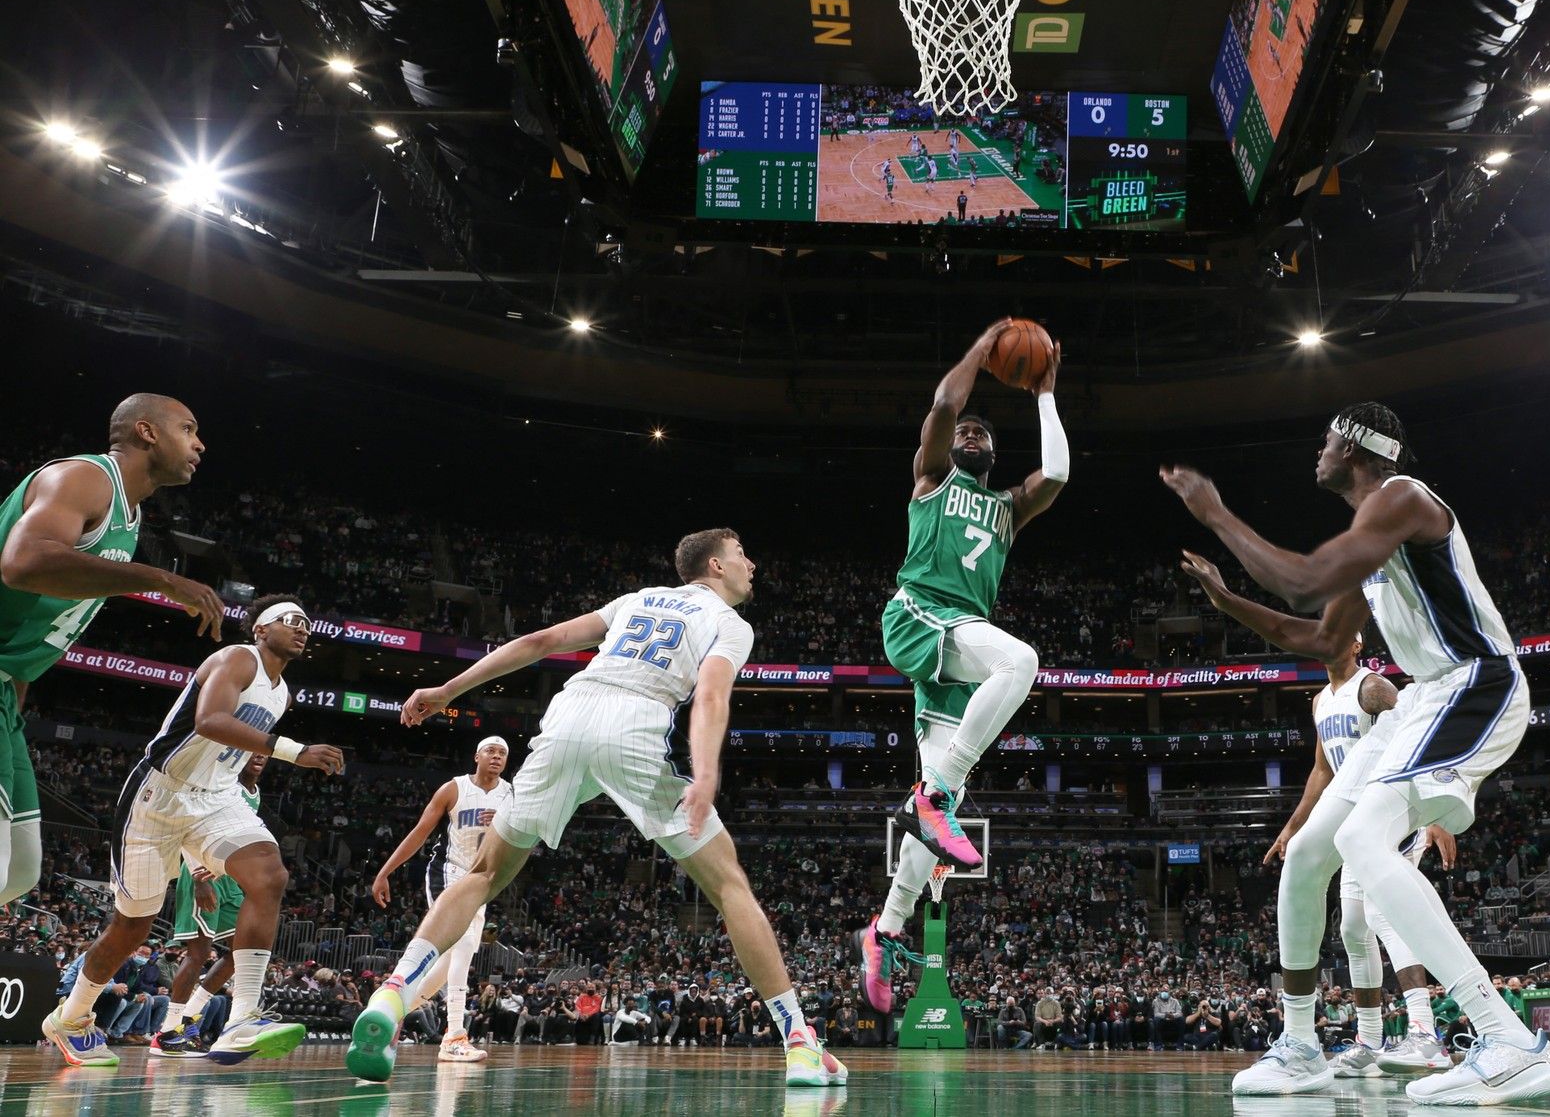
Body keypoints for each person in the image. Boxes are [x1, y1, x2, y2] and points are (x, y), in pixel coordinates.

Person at [1163, 402, 1550, 1106]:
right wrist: (1224, 601)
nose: (1317, 452)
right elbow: (1320, 638)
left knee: (1362, 839)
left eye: (1325, 440)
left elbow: (1304, 581)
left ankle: (1505, 1037)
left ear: (1352, 446)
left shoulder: (1402, 497)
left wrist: (1216, 514)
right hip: (1425, 699)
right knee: (1308, 852)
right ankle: (1300, 1046)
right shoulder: (1371, 540)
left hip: (1475, 682)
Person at [346, 529, 846, 1089]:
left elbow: (540, 641)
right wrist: (706, 772)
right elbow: (709, 695)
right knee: (730, 886)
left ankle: (394, 992)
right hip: (636, 721)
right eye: (742, 555)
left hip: (570, 714)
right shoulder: (729, 623)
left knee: (483, 874)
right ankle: (799, 1040)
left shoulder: (637, 599)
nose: (752, 564)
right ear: (715, 565)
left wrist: (448, 690)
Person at [854, 321, 1068, 1011]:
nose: (970, 434)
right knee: (1021, 660)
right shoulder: (930, 480)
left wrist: (1046, 394)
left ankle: (885, 929)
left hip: (956, 649)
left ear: (995, 454)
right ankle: (936, 794)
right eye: (965, 433)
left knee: (938, 815)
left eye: (982, 434)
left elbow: (1058, 474)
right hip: (921, 614)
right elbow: (946, 404)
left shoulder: (1009, 507)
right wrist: (982, 348)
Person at [1178, 556, 1451, 1092]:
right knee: (1353, 929)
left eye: (1343, 628)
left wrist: (1437, 813)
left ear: (1357, 643)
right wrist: (1292, 827)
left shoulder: (1374, 687)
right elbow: (1322, 771)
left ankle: (1425, 1032)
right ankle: (1371, 1041)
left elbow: (1417, 740)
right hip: (1347, 819)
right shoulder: (1321, 700)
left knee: (1380, 914)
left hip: (1390, 811)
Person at [43, 595, 344, 1067]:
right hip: (159, 795)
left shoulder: (282, 693)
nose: (303, 628)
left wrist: (202, 858)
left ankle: (242, 1019)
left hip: (216, 796)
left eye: (307, 623)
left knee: (270, 875)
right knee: (131, 927)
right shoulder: (237, 659)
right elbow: (209, 721)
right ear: (261, 629)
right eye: (291, 620)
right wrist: (294, 750)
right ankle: (72, 1016)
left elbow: (233, 751)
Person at [0, 395, 225, 911]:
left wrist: (16, 701)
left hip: (6, 692)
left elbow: (32, 630)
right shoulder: (85, 478)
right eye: (188, 429)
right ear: (147, 431)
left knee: (19, 871)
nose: (199, 444)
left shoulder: (131, 513)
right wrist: (161, 579)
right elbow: (22, 562)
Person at [370, 736, 514, 1062]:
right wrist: (385, 871)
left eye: (502, 753)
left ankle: (386, 1013)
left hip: (481, 880)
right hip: (449, 872)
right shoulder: (453, 789)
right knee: (462, 947)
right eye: (490, 751)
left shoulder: (510, 795)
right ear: (476, 756)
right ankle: (454, 1036)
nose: (496, 756)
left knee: (445, 967)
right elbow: (419, 832)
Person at [152, 755, 268, 1057]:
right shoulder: (220, 785)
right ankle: (167, 1031)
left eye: (264, 751)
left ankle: (190, 1015)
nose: (259, 755)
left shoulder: (253, 793)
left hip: (229, 878)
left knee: (241, 952)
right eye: (252, 750)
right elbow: (187, 829)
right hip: (202, 872)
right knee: (198, 954)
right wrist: (198, 877)